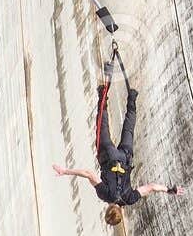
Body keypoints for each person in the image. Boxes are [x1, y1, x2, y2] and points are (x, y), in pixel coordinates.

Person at [53, 74, 180, 224]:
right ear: (107, 210)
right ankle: (102, 94)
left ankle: (132, 97)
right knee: (102, 125)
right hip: (108, 156)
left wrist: (170, 190)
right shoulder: (104, 194)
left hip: (125, 158)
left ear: (121, 214)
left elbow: (151, 187)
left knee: (129, 128)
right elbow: (88, 174)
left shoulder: (130, 199)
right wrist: (65, 171)